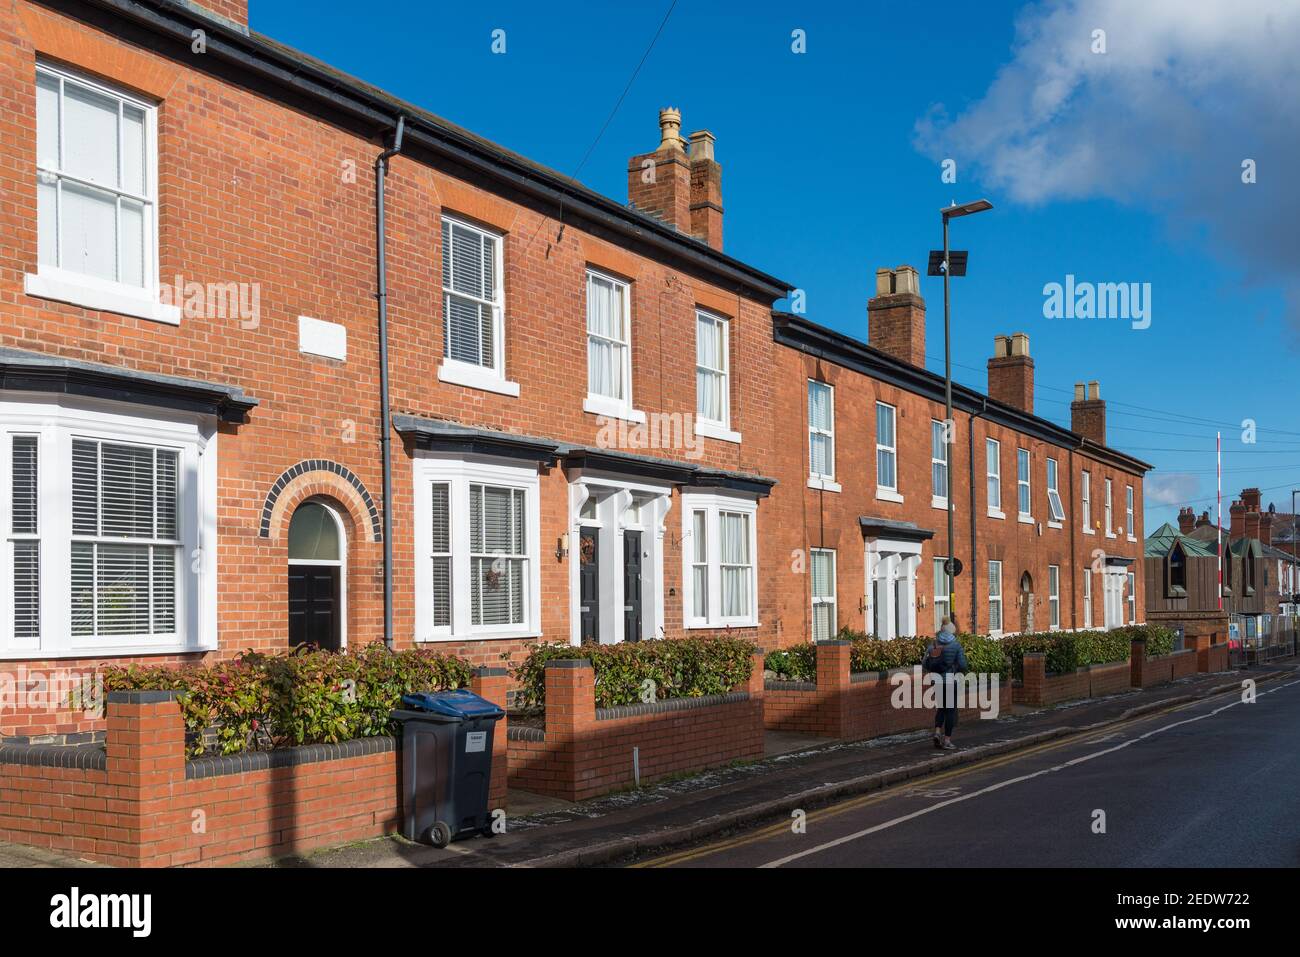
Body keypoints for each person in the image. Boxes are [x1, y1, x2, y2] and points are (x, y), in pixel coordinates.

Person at [924, 617, 968, 750]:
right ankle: (947, 740)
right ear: (952, 632)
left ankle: (937, 732)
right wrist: (956, 669)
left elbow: (925, 663)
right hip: (950, 681)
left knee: (941, 708)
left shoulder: (933, 644)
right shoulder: (956, 645)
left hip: (937, 680)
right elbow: (963, 664)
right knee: (950, 711)